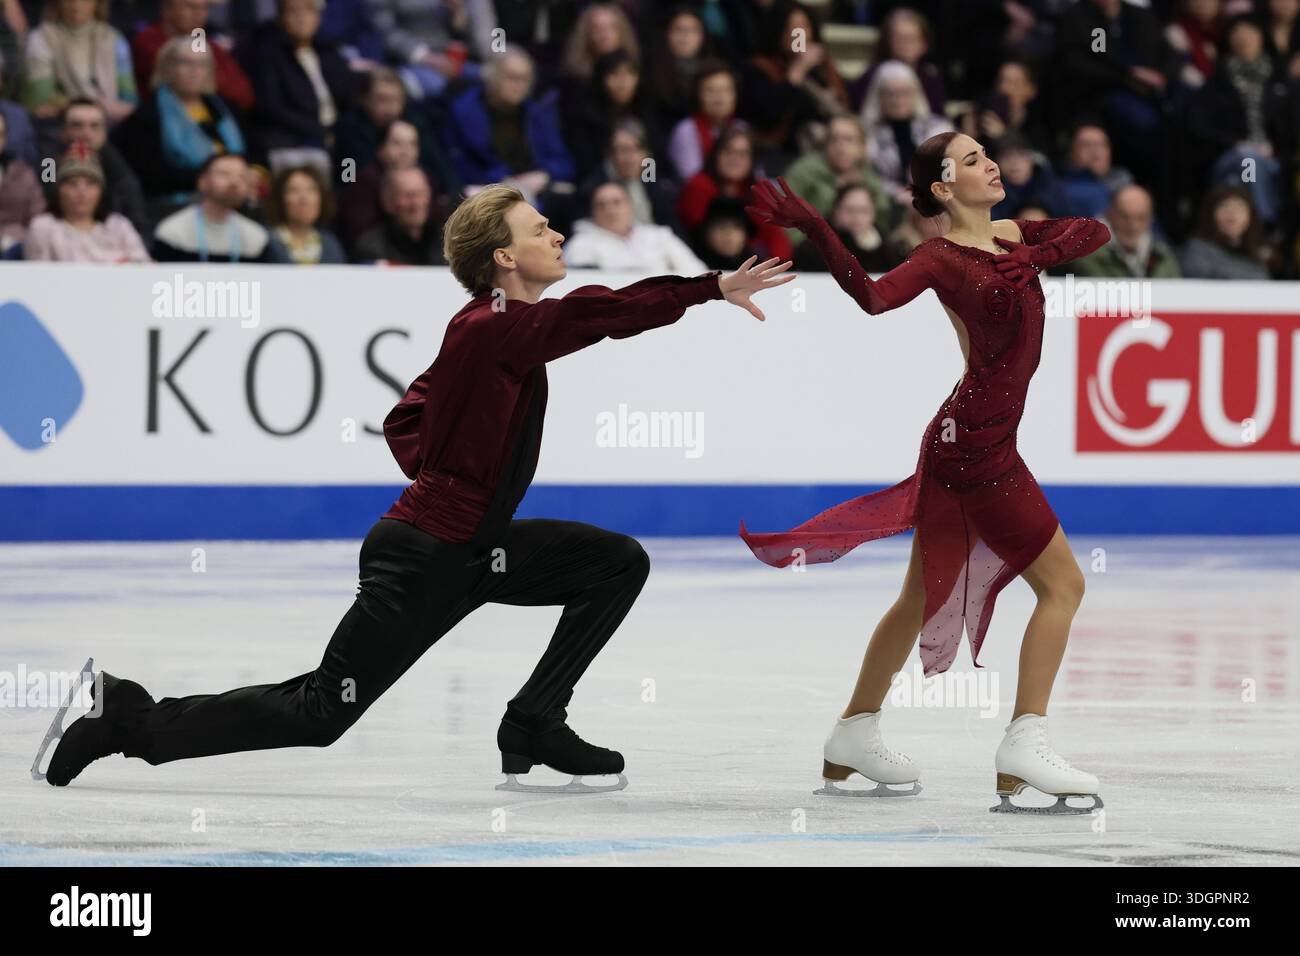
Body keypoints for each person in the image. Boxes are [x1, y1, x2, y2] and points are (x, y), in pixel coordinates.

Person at [37, 183, 795, 792]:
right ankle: (127, 718)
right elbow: (600, 313)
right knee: (319, 712)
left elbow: (408, 416)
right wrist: (705, 287)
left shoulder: (490, 330)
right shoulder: (492, 325)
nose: (557, 236)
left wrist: (450, 469)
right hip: (426, 557)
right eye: (540, 230)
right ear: (504, 258)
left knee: (616, 562)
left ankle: (534, 718)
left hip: (474, 544)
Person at [738, 132, 1110, 813]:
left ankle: (854, 730)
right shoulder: (940, 257)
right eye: (971, 161)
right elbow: (874, 299)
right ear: (942, 189)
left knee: (917, 599)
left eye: (988, 153)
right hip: (975, 450)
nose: (990, 163)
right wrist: (818, 226)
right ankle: (1024, 742)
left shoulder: (1011, 233)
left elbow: (1095, 228)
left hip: (970, 440)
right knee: (1063, 584)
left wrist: (1036, 250)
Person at [23, 145, 150, 261]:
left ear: (101, 191)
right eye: (72, 183)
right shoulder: (43, 227)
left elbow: (144, 266)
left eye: (90, 184)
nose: (82, 192)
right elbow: (38, 277)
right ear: (59, 191)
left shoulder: (119, 226)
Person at [151, 152, 273, 262]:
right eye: (224, 174)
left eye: (242, 177)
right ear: (202, 181)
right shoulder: (173, 232)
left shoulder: (257, 238)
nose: (234, 182)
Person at [562, 180, 706, 273]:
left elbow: (697, 271)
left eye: (616, 202)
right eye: (601, 205)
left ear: (630, 206)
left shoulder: (659, 236)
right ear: (593, 212)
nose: (610, 210)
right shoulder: (580, 245)